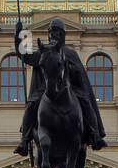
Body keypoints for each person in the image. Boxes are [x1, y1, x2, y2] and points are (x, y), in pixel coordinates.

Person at [12, 17, 108, 156]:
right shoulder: (44, 52)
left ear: (62, 35)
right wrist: (19, 35)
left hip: (70, 88)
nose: (53, 35)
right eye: (51, 33)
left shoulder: (70, 53)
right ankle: (24, 141)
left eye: (56, 32)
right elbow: (25, 56)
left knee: (86, 103)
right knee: (31, 105)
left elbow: (79, 74)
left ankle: (95, 135)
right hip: (45, 89)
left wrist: (69, 68)